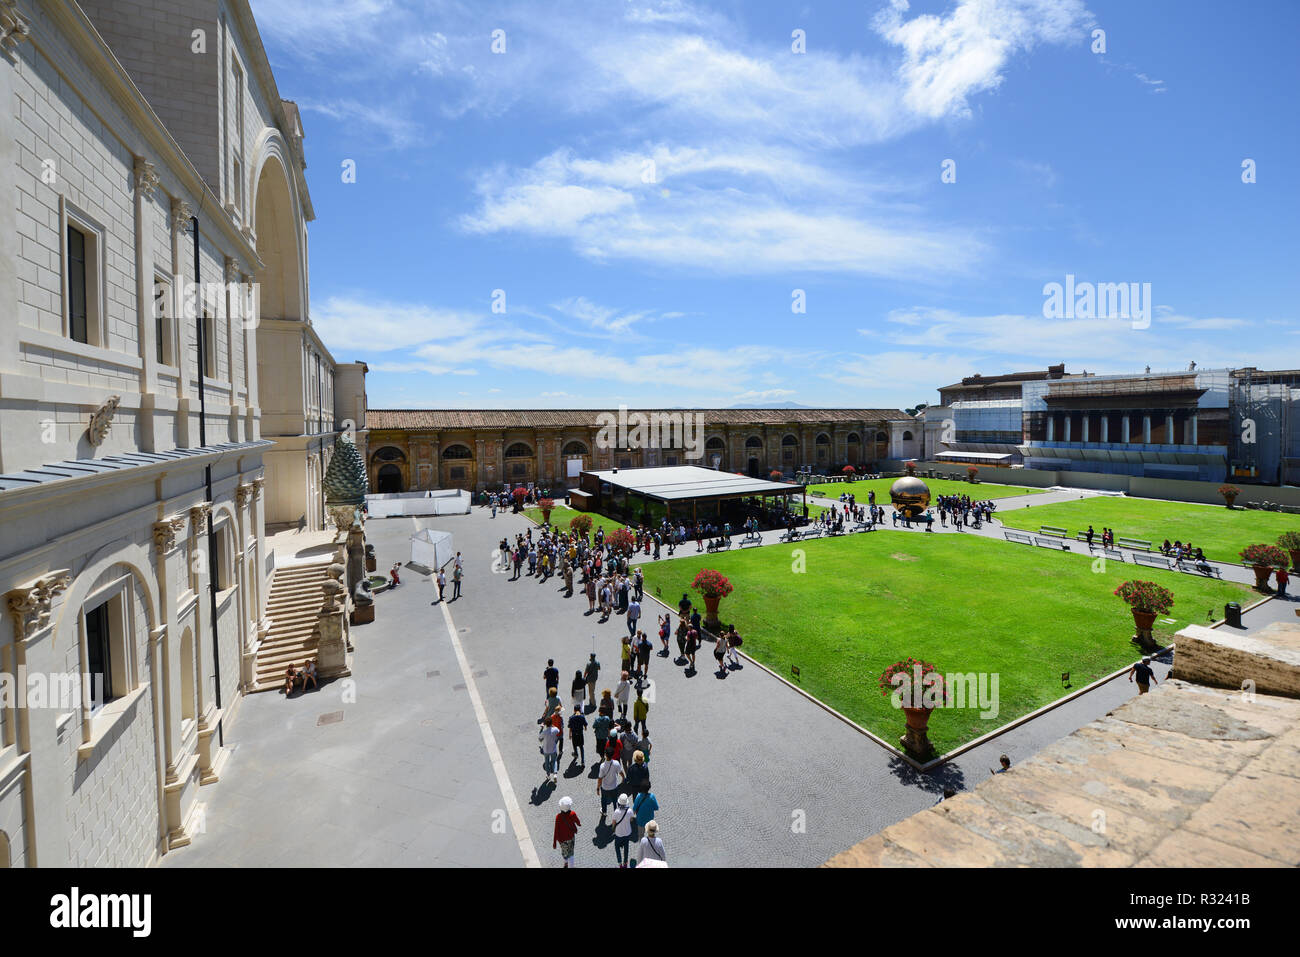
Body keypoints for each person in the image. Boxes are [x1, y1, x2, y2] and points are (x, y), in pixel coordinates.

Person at [553, 796, 581, 868]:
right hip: (570, 837)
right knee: (571, 853)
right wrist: (578, 824)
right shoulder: (572, 814)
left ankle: (565, 863)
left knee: (564, 852)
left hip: (562, 839)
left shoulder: (558, 817)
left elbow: (556, 829)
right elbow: (578, 822)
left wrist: (554, 842)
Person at [597, 752, 625, 820]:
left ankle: (604, 812)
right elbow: (621, 772)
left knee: (604, 800)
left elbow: (600, 778)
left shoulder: (602, 766)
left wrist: (598, 788)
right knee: (615, 800)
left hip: (605, 787)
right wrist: (623, 778)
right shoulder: (616, 763)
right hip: (614, 786)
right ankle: (616, 812)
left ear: (605, 755)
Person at [611, 793, 635, 868]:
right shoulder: (630, 811)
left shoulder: (616, 811)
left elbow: (614, 823)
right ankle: (625, 863)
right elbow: (631, 820)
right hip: (627, 832)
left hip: (618, 833)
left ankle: (620, 863)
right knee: (626, 848)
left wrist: (613, 829)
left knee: (617, 847)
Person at [540, 719, 562, 784]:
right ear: (551, 723)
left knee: (547, 762)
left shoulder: (544, 732)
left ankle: (548, 775)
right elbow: (558, 731)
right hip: (553, 749)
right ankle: (555, 774)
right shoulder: (555, 729)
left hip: (546, 750)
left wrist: (542, 728)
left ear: (546, 724)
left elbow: (540, 737)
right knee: (554, 761)